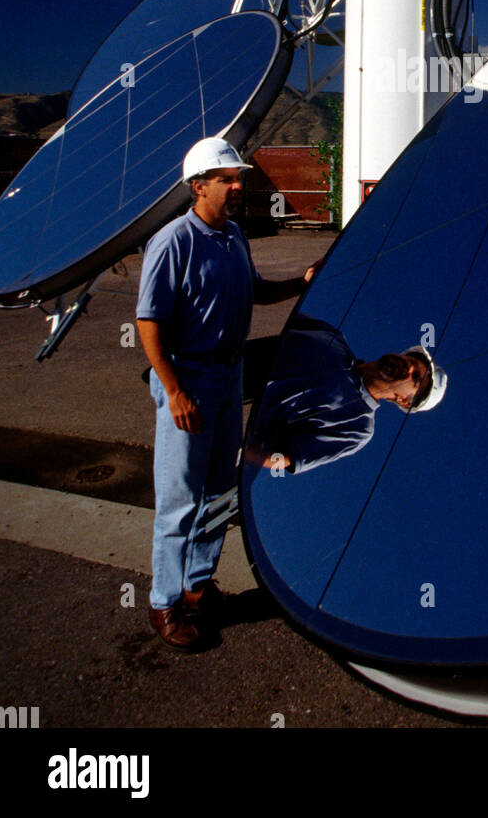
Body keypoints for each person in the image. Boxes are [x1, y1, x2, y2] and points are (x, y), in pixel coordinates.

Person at [136, 136, 322, 649]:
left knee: (219, 493)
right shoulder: (174, 241)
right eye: (228, 179)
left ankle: (198, 589)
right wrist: (173, 390)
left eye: (239, 178)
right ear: (199, 187)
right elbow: (148, 322)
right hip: (187, 380)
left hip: (227, 378)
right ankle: (164, 603)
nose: (239, 186)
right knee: (180, 499)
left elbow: (255, 289)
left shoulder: (234, 236)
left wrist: (299, 283)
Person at [246, 313, 447, 474]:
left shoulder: (359, 427)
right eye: (411, 360)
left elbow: (288, 457)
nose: (409, 366)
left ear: (404, 401)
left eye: (416, 378)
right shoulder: (332, 337)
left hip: (228, 414)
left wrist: (238, 451)